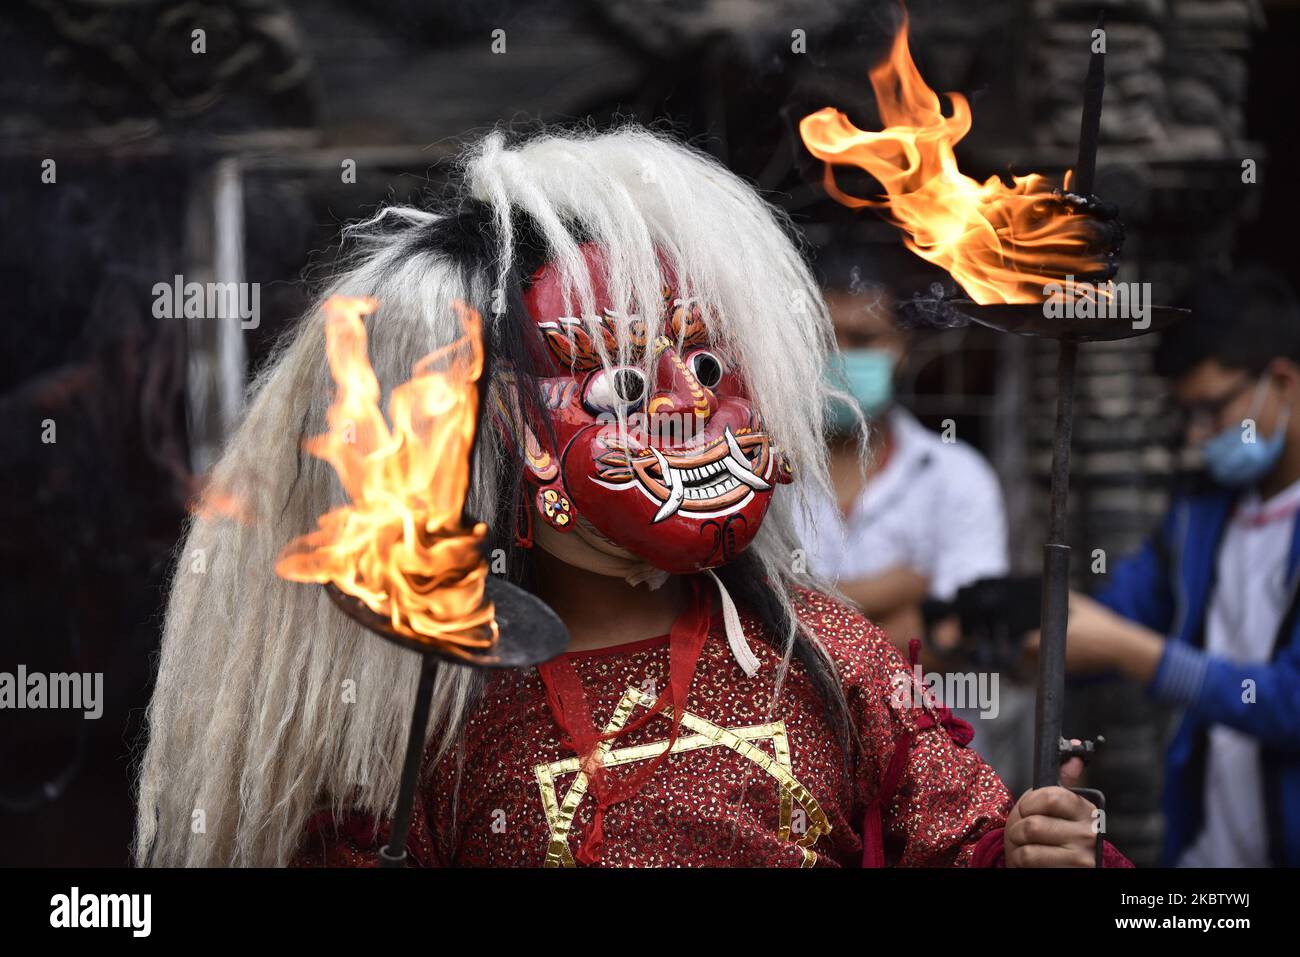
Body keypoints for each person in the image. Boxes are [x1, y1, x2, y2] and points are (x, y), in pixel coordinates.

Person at [134, 127, 1124, 868]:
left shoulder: (825, 656)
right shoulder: (426, 709)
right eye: (619, 386)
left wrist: (1034, 850)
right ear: (493, 429)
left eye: (705, 362)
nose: (690, 411)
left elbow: (969, 843)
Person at [1047, 269, 1300, 866]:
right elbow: (1114, 617)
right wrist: (1038, 629)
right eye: (1187, 414)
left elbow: (1291, 703)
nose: (1198, 434)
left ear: (1283, 380)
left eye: (1212, 410)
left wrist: (1132, 653)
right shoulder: (1201, 516)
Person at [800, 267, 1035, 794]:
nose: (836, 358)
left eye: (861, 339)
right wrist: (903, 586)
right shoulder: (756, 473)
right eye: (819, 339)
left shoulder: (957, 474)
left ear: (901, 348)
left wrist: (803, 613)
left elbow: (954, 633)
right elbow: (741, 630)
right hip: (802, 778)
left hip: (937, 775)